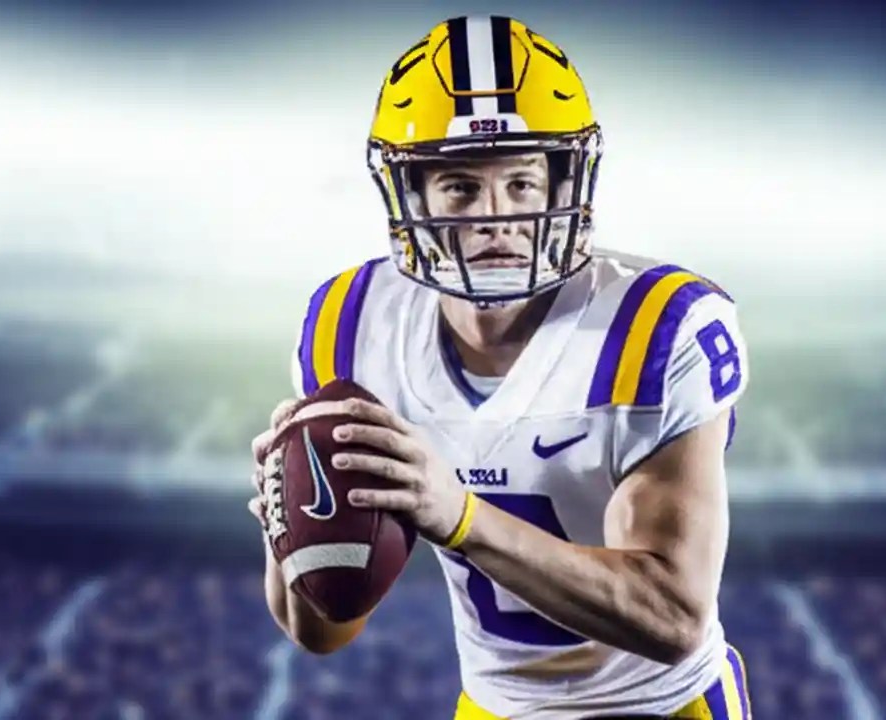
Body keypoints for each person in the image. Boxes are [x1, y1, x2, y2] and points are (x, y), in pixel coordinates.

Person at [248, 14, 752, 720]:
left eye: (520, 183)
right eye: (460, 187)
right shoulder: (352, 325)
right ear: (410, 196)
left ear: (562, 185)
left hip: (663, 706)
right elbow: (320, 633)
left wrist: (455, 515)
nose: (496, 217)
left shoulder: (655, 328)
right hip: (496, 706)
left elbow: (673, 618)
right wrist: (293, 526)